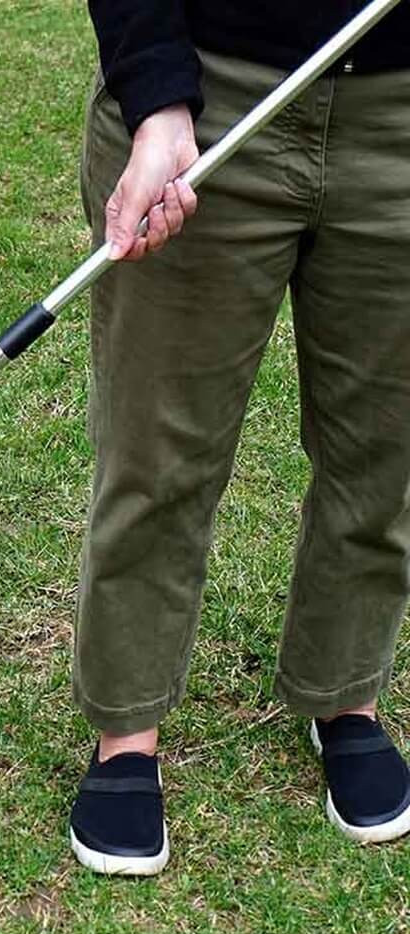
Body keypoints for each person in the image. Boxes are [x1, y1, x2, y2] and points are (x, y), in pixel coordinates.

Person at [70, 1, 410, 875]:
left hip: (398, 116)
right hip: (211, 95)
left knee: (386, 447)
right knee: (159, 451)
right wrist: (156, 98)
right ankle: (127, 729)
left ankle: (345, 693)